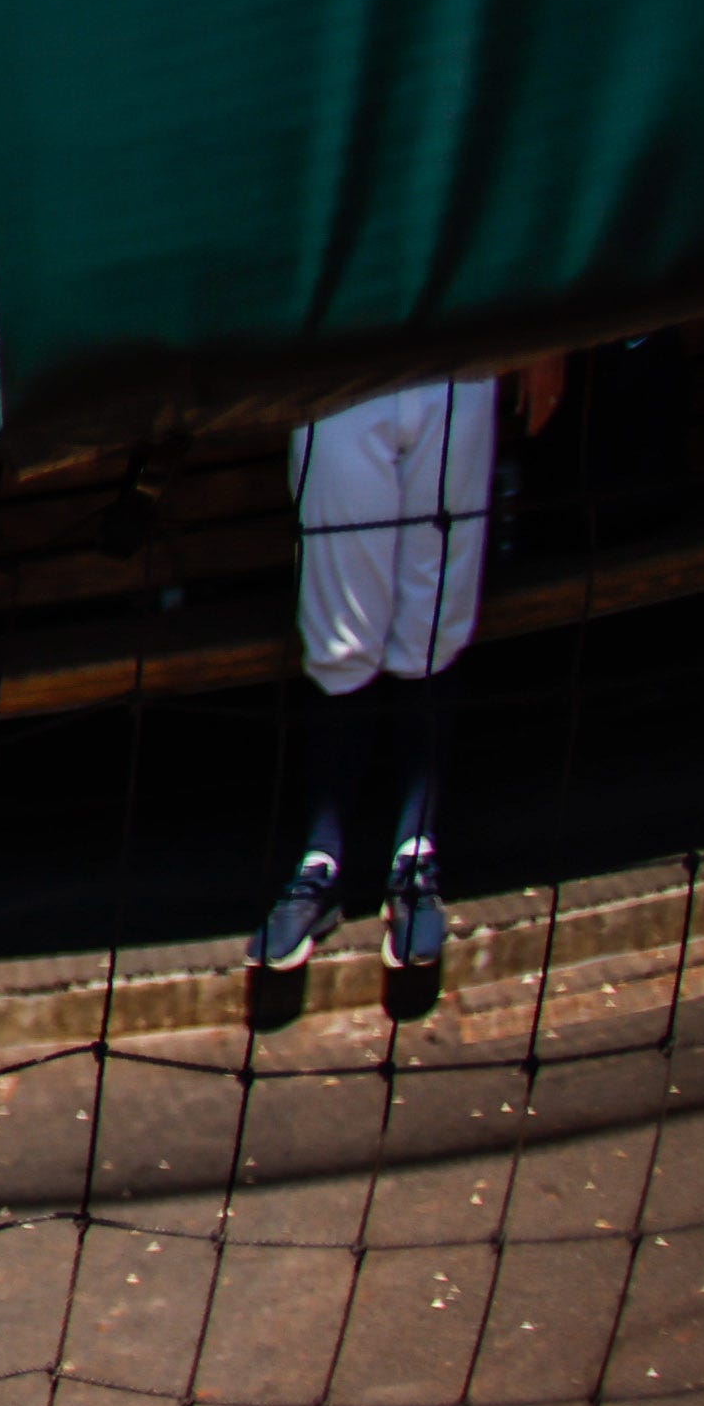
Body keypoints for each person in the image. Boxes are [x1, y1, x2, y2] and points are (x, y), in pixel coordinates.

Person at [252, 365, 557, 975]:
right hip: (340, 363)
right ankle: (321, 861)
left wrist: (547, 343)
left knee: (432, 624)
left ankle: (415, 857)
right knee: (342, 637)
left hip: (458, 352)